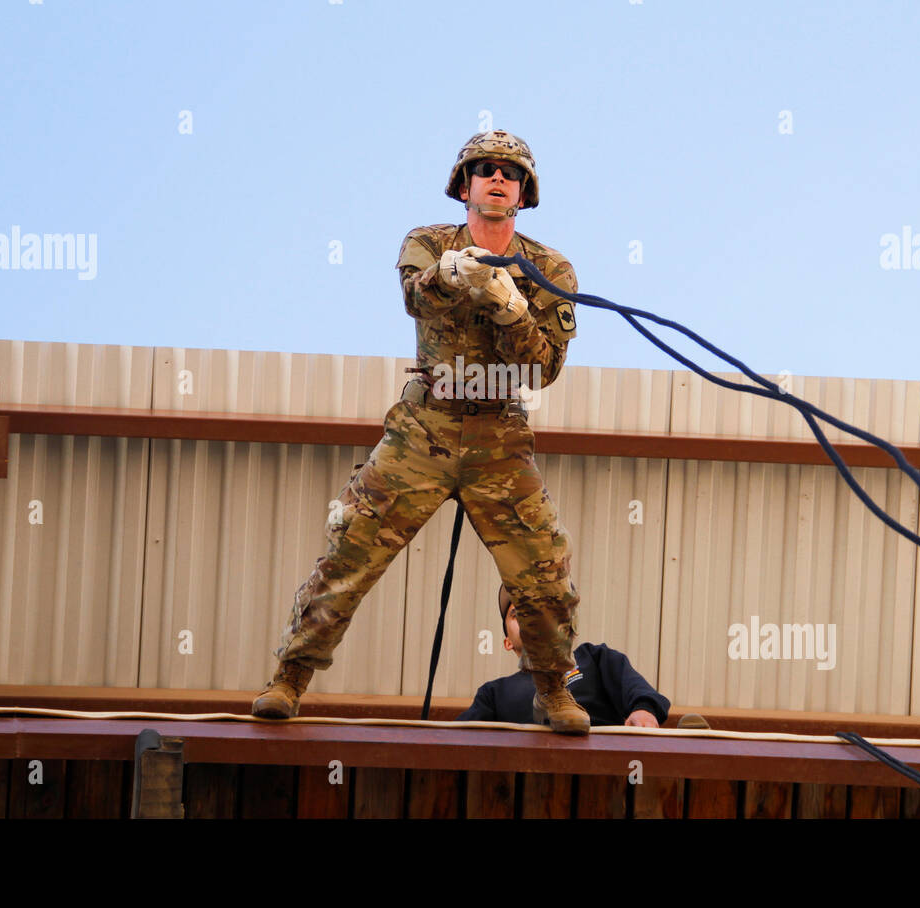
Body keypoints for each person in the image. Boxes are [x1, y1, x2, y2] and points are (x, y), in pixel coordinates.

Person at [253, 129, 590, 734]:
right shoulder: (429, 244)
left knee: (543, 572)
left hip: (498, 438)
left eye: (509, 173)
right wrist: (453, 275)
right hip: (423, 431)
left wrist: (512, 306)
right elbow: (417, 300)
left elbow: (543, 368)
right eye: (483, 169)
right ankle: (289, 680)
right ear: (464, 185)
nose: (496, 178)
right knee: (350, 550)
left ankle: (553, 692)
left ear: (523, 193)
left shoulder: (548, 268)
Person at [459, 585, 670, 727]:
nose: (530, 618)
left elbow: (638, 691)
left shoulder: (594, 657)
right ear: (508, 643)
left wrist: (644, 711)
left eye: (539, 610)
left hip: (599, 772)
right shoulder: (494, 693)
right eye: (517, 614)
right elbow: (457, 740)